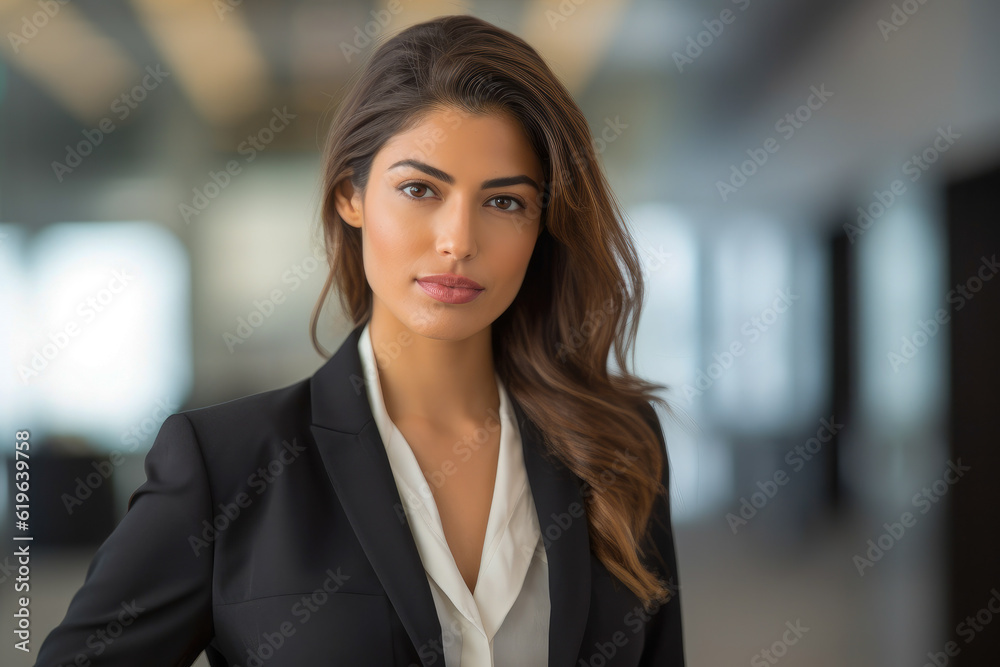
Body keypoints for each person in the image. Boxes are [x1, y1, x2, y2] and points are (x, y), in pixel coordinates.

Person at [34, 14, 684, 667]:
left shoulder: (616, 444)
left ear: (542, 222)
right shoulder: (228, 466)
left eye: (504, 201)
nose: (458, 240)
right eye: (419, 189)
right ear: (351, 194)